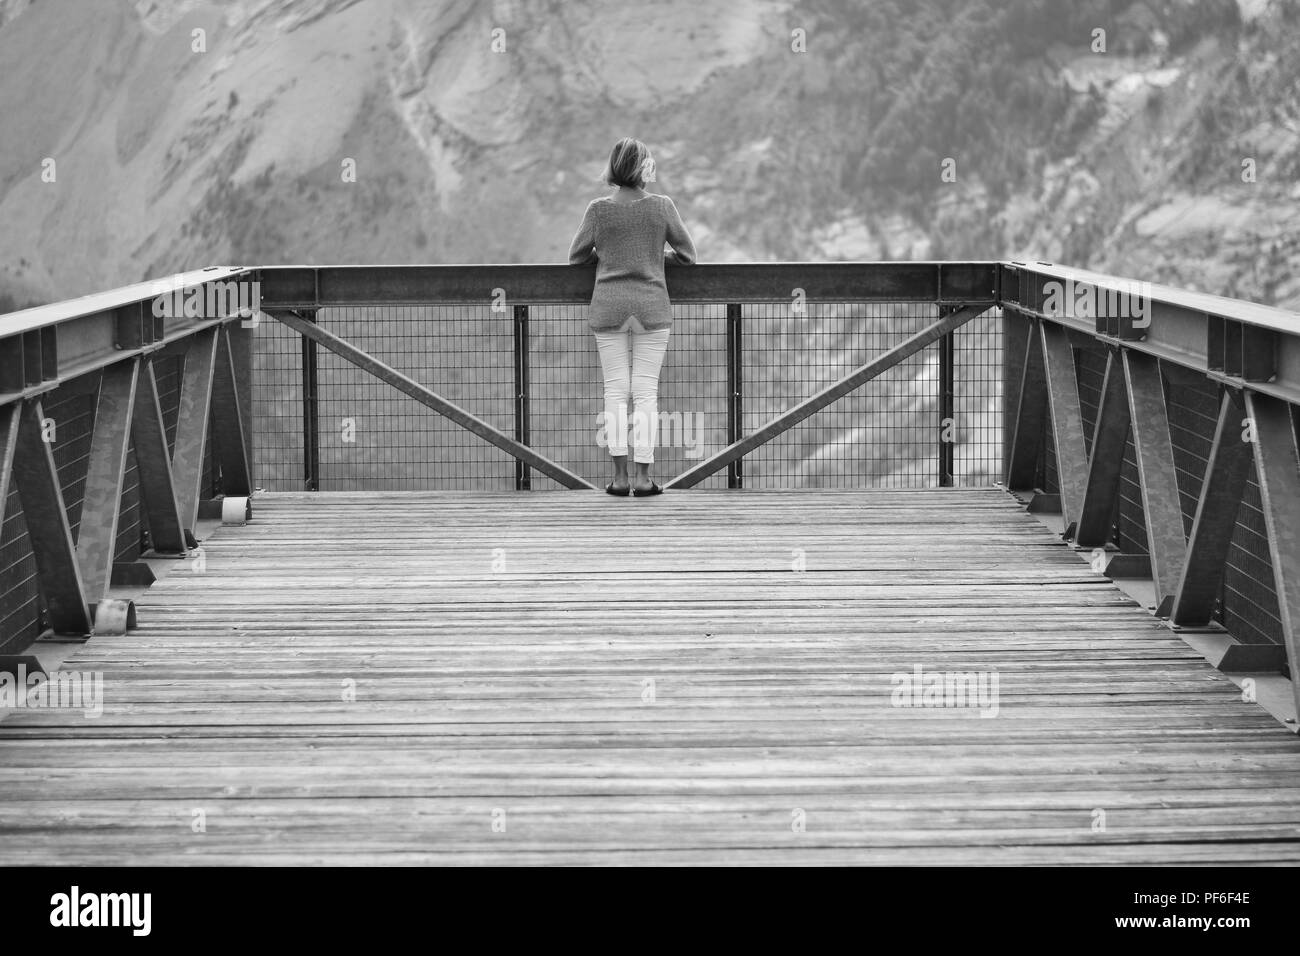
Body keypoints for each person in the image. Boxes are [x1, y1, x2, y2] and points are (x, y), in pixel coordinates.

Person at [568, 137, 697, 497]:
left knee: (615, 391)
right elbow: (688, 255)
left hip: (609, 306)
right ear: (640, 168)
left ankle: (619, 478)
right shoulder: (662, 207)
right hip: (651, 307)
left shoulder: (598, 210)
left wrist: (611, 260)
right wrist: (652, 260)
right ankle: (643, 479)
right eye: (649, 161)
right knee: (645, 392)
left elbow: (576, 257)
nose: (653, 165)